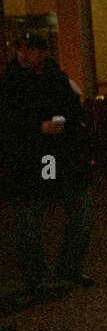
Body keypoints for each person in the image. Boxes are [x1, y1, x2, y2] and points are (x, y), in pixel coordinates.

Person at [0, 33, 94, 294]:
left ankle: (69, 265)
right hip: (27, 159)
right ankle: (36, 277)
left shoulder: (54, 77)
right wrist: (39, 127)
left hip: (60, 156)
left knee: (81, 209)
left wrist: (60, 124)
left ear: (43, 53)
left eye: (29, 50)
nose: (23, 54)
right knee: (29, 219)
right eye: (20, 48)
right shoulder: (11, 82)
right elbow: (8, 123)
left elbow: (71, 109)